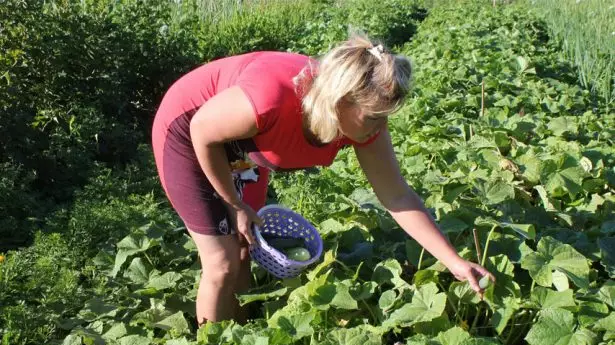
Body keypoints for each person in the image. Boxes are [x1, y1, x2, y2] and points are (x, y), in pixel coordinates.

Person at [152, 34, 495, 326]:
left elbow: (398, 197)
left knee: (244, 244)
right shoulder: (271, 99)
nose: (379, 128)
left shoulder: (363, 124)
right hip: (190, 132)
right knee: (222, 263)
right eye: (373, 117)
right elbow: (203, 131)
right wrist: (233, 202)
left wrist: (454, 261)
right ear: (341, 100)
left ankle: (240, 333)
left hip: (240, 147)